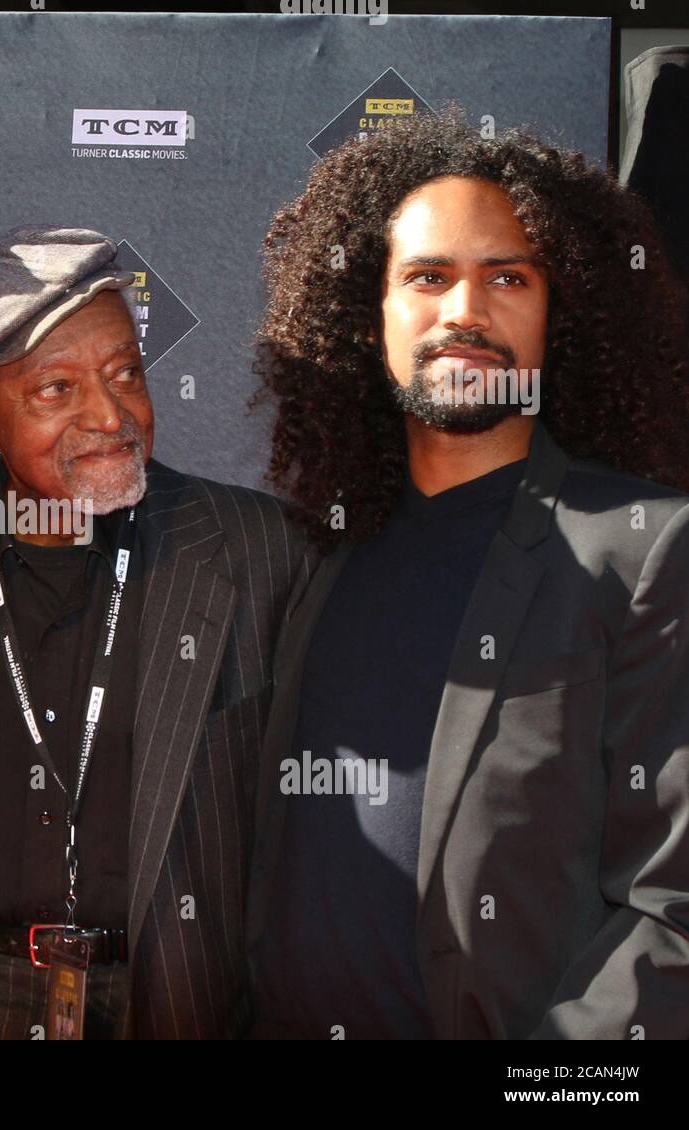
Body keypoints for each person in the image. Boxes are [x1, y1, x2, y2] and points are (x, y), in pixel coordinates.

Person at [247, 107, 689, 1039]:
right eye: (427, 277)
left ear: (558, 315)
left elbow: (674, 912)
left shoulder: (647, 548)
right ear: (365, 316)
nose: (465, 312)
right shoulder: (318, 553)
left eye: (509, 278)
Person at [0, 225, 311, 1039]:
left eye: (125, 373)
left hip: (169, 1008)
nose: (110, 415)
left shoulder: (259, 550)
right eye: (57, 389)